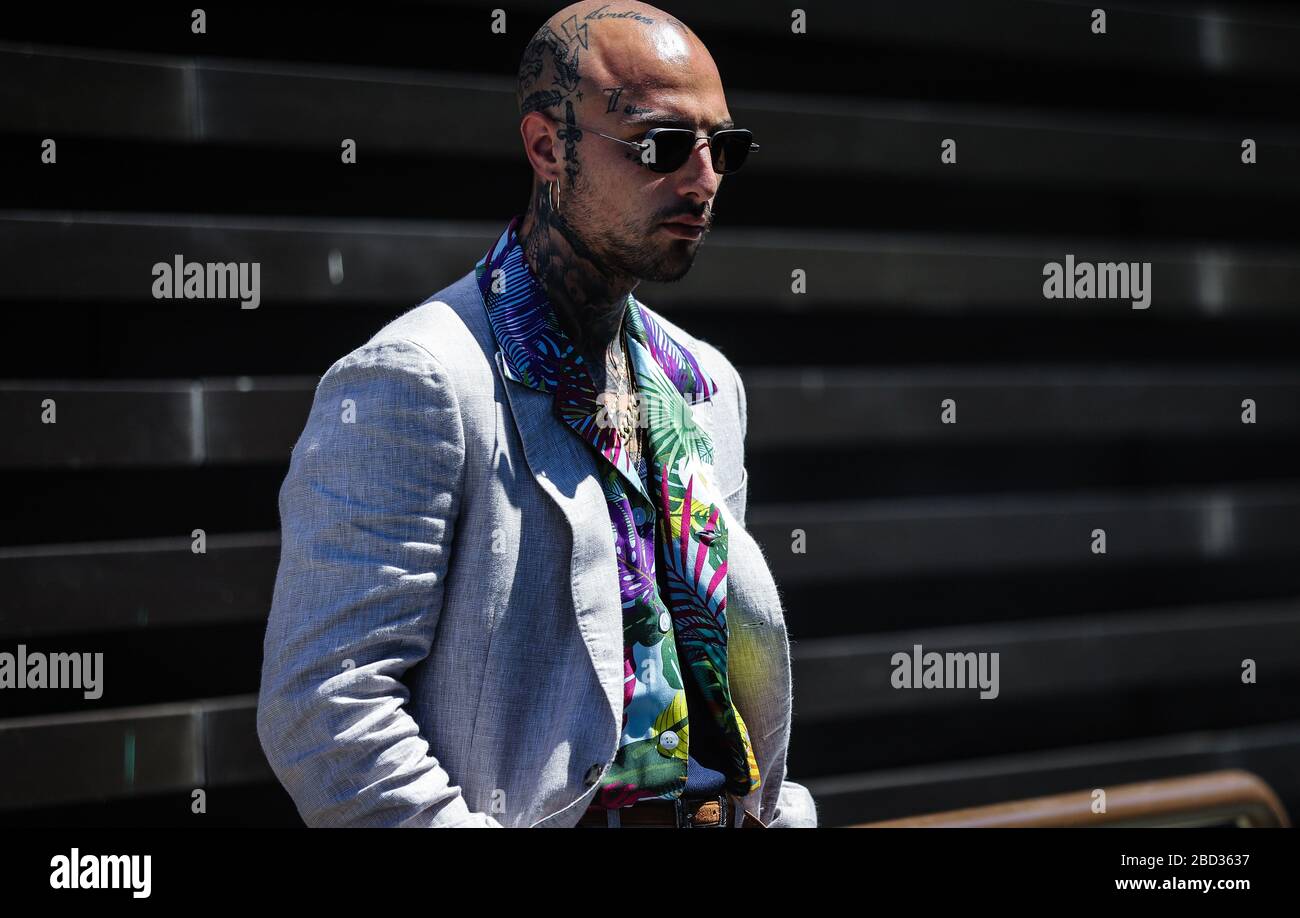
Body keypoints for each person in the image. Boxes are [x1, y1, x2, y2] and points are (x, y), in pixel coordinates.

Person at [256, 0, 818, 828]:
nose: (703, 180)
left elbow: (714, 664)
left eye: (722, 149)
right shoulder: (416, 380)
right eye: (661, 146)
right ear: (548, 147)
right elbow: (328, 708)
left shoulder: (704, 384)